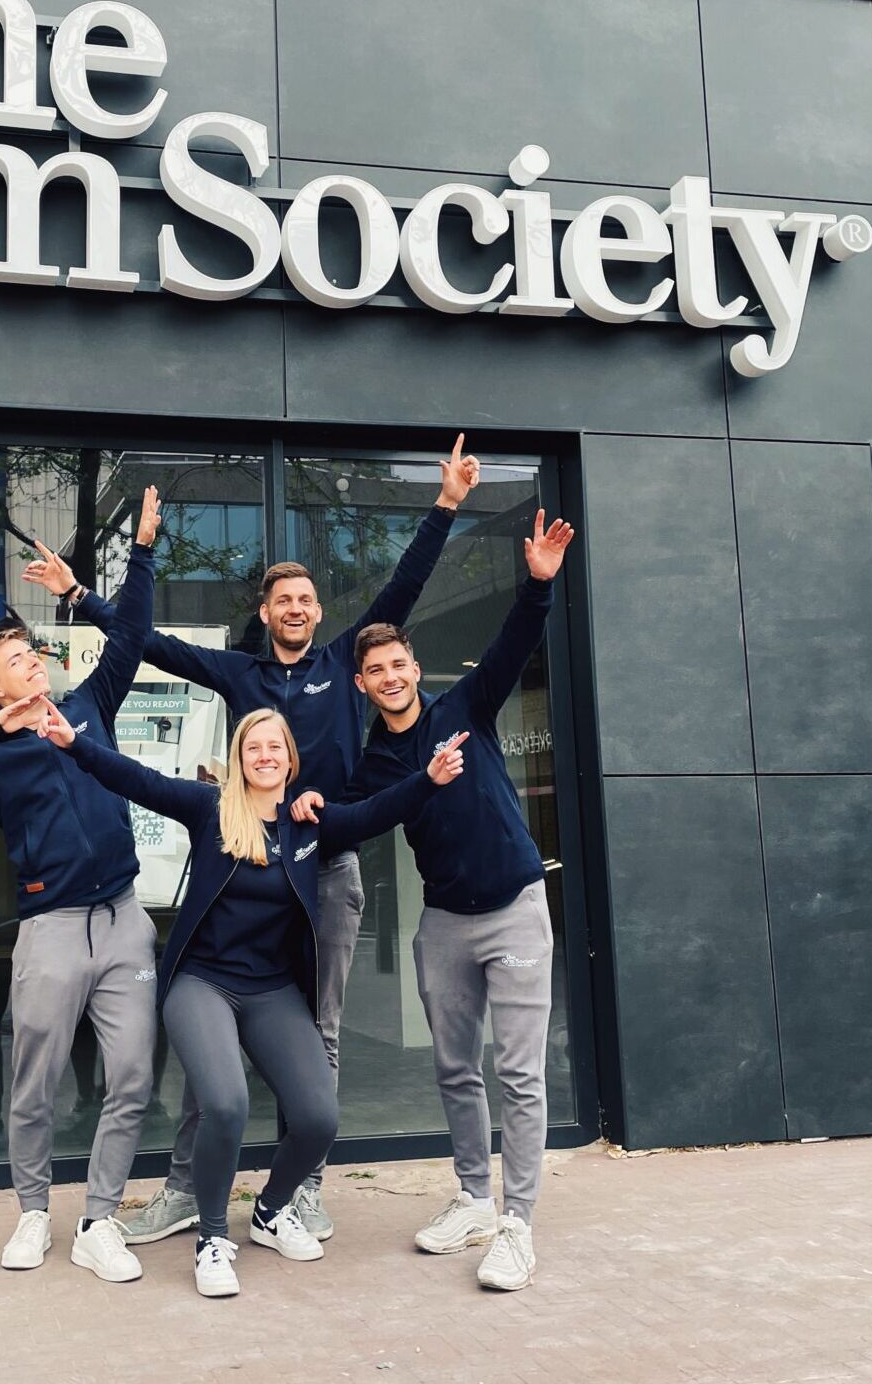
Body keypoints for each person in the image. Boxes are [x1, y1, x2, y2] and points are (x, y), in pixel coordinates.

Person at [22, 435, 481, 1243]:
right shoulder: (240, 675)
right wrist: (81, 596)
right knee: (214, 1036)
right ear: (265, 615)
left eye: (306, 597)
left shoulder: (344, 662)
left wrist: (443, 506)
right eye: (282, 601)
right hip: (239, 863)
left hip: (325, 871)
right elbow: (151, 646)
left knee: (321, 1029)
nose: (297, 608)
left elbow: (404, 586)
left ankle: (296, 1193)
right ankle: (183, 1190)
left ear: (318, 611)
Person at [34, 701, 469, 1298]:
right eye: (252, 748)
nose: (264, 757)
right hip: (202, 982)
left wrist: (429, 779)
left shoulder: (308, 824)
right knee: (228, 1104)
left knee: (318, 1118)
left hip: (272, 990)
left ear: (290, 758)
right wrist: (74, 744)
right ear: (239, 760)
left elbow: (375, 812)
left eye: (274, 747)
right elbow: (139, 780)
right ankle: (213, 1236)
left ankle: (269, 1210)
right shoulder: (210, 809)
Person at [292, 507, 575, 1292]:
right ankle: (474, 1199)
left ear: (414, 668)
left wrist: (538, 585)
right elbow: (352, 816)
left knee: (518, 1075)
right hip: (444, 923)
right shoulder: (379, 758)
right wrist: (313, 807)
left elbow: (515, 643)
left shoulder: (465, 708)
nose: (389, 676)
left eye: (399, 665)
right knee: (456, 1070)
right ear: (362, 682)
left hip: (515, 905)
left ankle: (516, 1225)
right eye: (374, 669)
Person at [0, 486, 163, 1285]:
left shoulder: (87, 704)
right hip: (50, 927)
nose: (34, 663)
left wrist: (127, 565)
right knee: (37, 1078)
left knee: (130, 1075)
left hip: (124, 922)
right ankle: (29, 1214)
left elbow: (129, 638)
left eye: (33, 655)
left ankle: (98, 1219)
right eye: (17, 660)